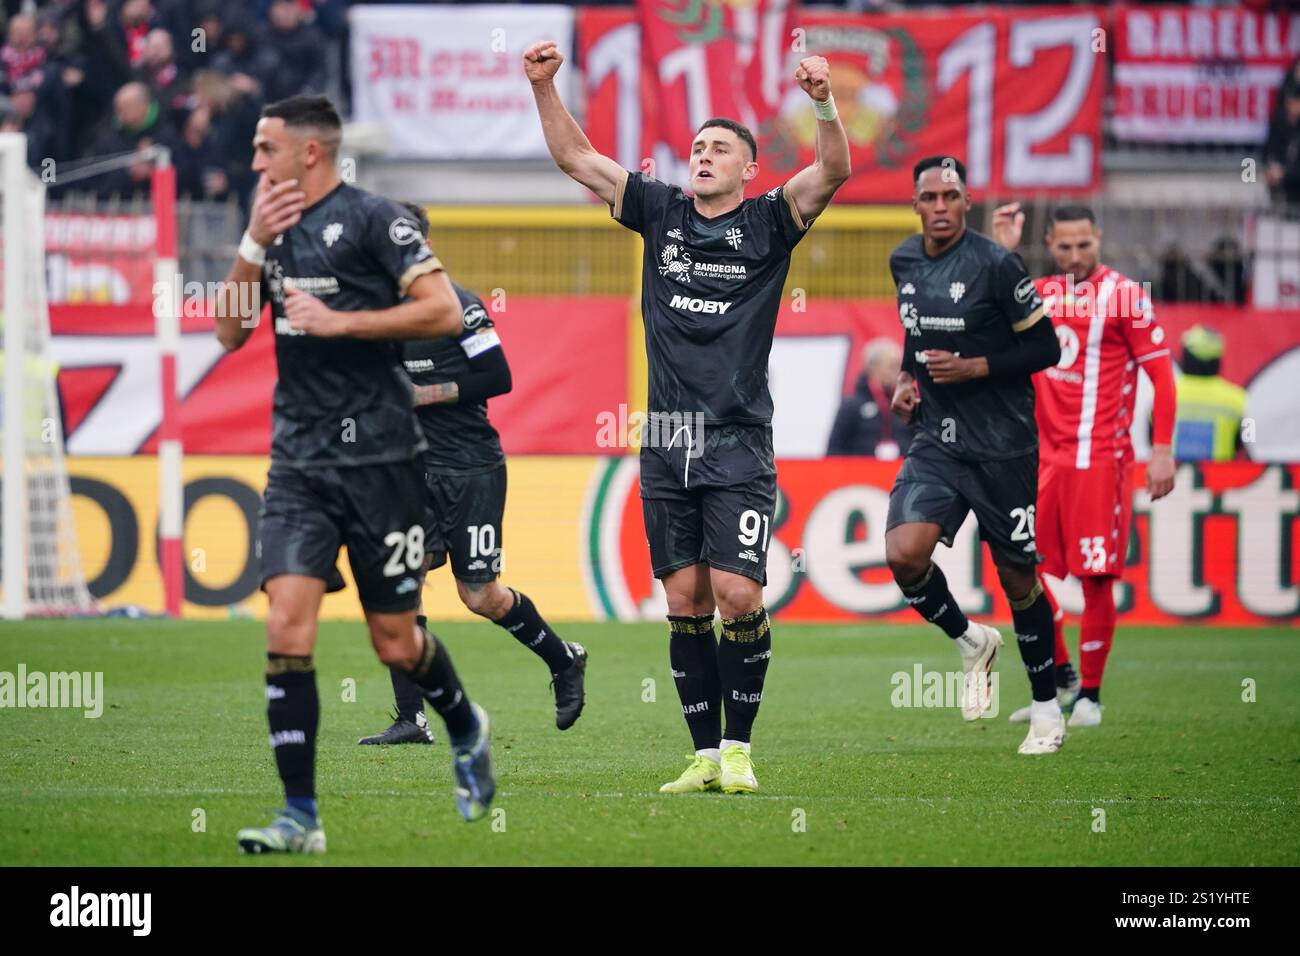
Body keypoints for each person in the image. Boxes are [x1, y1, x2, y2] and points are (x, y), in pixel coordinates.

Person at [524, 40, 850, 793]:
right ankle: (704, 757)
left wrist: (824, 102)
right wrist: (543, 87)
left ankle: (739, 750)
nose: (704, 157)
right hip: (667, 439)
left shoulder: (771, 221)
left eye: (720, 150)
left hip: (738, 439)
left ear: (749, 169)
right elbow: (577, 159)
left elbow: (833, 169)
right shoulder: (660, 209)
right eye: (698, 148)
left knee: (739, 594)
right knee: (684, 601)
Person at [211, 94, 494, 854]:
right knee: (286, 623)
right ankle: (300, 815)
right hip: (299, 462)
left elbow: (441, 310)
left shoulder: (376, 220)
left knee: (395, 641)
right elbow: (229, 331)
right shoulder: (269, 231)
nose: (254, 161)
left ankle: (465, 726)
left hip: (383, 462)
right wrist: (250, 241)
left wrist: (344, 322)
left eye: (265, 148)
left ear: (310, 152)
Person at [358, 202, 588, 746]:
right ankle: (411, 719)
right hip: (410, 469)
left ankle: (563, 659)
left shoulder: (458, 305)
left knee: (479, 594)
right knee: (400, 580)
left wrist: (422, 395)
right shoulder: (378, 314)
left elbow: (497, 376)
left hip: (469, 467)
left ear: (424, 247)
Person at [885, 156, 1065, 755]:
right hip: (938, 438)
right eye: (929, 197)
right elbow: (915, 331)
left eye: (951, 196)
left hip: (1003, 445)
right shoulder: (904, 260)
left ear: (967, 203)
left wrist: (975, 367)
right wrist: (907, 379)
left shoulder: (997, 264)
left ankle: (1046, 709)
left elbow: (1047, 348)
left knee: (1017, 578)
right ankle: (971, 641)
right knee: (903, 554)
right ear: (915, 205)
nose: (940, 206)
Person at [992, 202, 1178, 728]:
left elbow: (1162, 377)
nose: (1075, 255)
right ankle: (1060, 679)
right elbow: (991, 315)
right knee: (1019, 567)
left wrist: (1162, 450)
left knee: (1096, 579)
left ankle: (1091, 697)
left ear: (1098, 237)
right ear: (1050, 245)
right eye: (1065, 246)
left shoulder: (1126, 296)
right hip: (1042, 459)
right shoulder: (1041, 294)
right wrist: (1004, 253)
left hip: (1100, 460)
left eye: (1084, 245)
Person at [827, 337, 912, 458]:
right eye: (892, 366)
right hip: (860, 470)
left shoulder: (909, 405)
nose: (898, 372)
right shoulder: (852, 406)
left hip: (901, 469)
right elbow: (834, 451)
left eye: (900, 366)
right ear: (873, 368)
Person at [1173, 325, 1247, 463]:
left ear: (1186, 355)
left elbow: (1152, 439)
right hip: (1221, 475)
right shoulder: (1238, 399)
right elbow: (1246, 442)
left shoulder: (1163, 394)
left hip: (1172, 474)